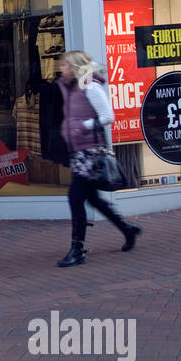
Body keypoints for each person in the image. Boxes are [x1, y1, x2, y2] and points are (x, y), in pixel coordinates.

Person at [55, 50, 141, 267]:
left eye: (65, 65)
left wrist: (82, 127)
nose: (61, 68)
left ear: (75, 66)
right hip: (79, 151)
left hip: (90, 152)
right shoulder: (73, 87)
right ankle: (127, 229)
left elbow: (108, 116)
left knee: (75, 197)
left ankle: (77, 249)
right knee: (91, 198)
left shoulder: (90, 86)